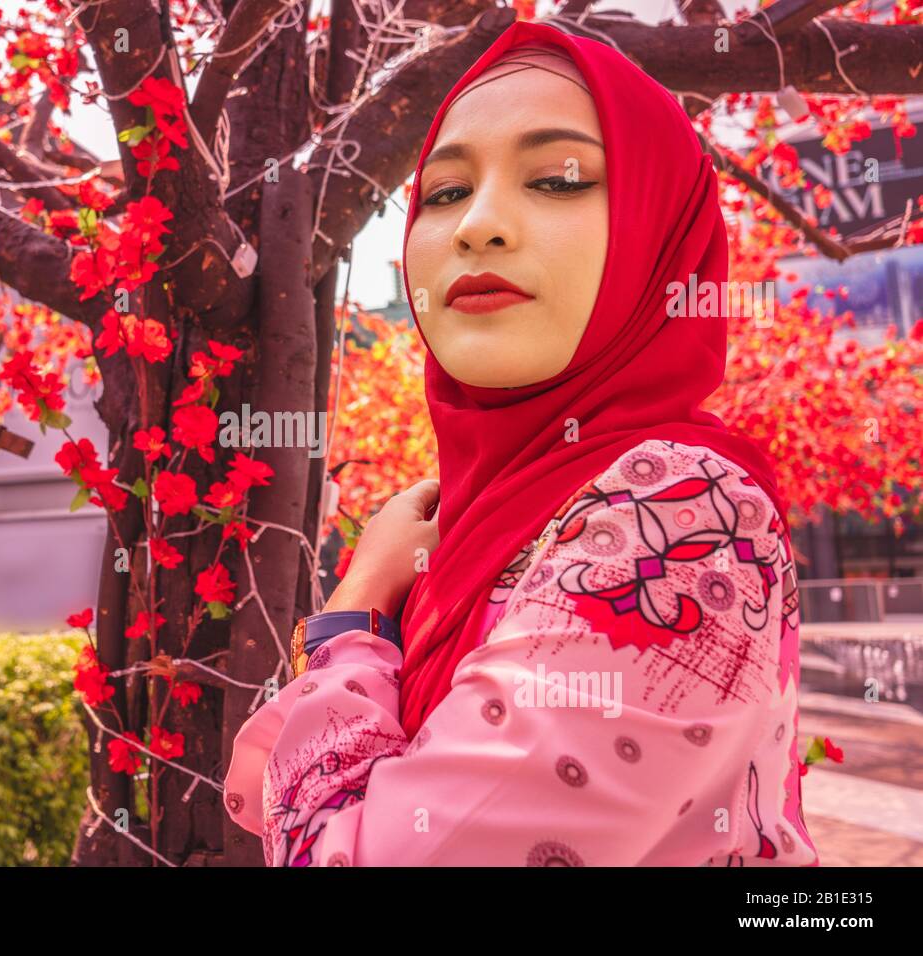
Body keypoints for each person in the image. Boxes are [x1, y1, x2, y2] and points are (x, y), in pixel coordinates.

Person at [222, 20, 819, 867]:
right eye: (444, 192)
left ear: (660, 236)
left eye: (557, 179)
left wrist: (354, 615)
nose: (481, 226)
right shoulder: (485, 520)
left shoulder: (681, 512)